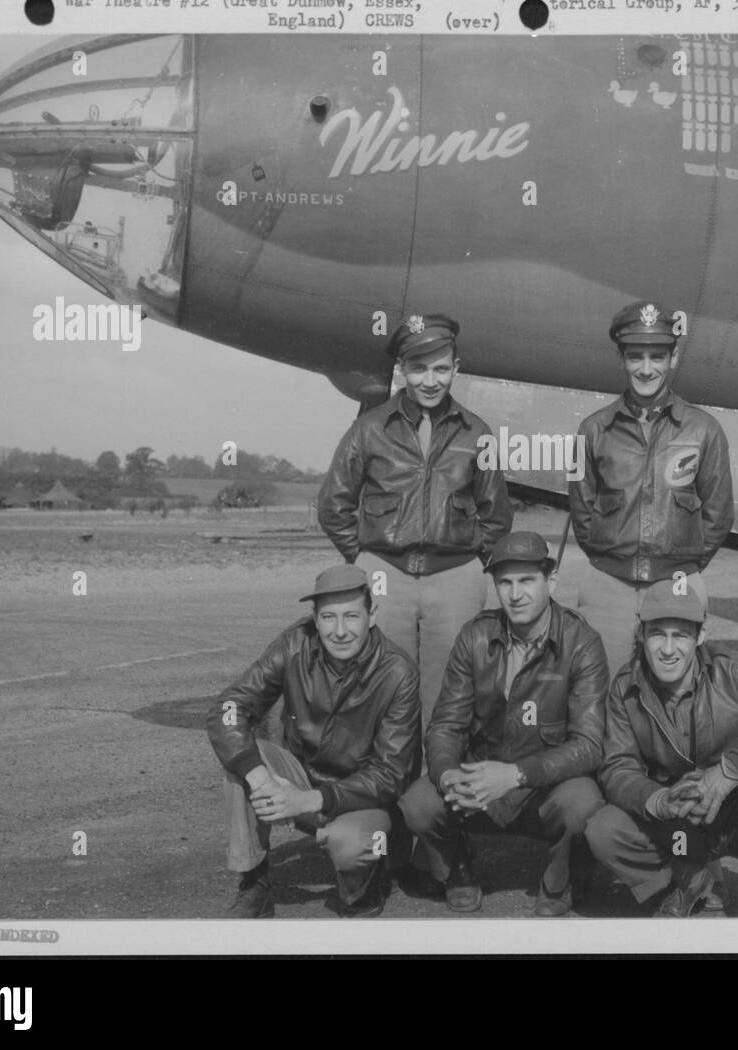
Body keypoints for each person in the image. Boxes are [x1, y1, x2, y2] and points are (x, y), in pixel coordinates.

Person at [318, 314, 513, 728]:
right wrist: (365, 557)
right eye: (419, 368)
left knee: (452, 692)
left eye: (441, 369)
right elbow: (333, 504)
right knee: (383, 686)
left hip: (455, 574)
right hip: (386, 573)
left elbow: (497, 512)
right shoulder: (369, 429)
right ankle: (385, 783)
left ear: (456, 370)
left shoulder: (477, 432)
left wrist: (476, 567)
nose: (430, 380)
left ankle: (439, 781)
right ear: (401, 369)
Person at [399, 531, 609, 916]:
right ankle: (458, 866)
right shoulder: (474, 636)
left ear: (552, 581)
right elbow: (446, 725)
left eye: (527, 580)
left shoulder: (582, 643)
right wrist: (448, 776)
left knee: (583, 801)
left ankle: (559, 878)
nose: (515, 594)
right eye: (505, 582)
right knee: (418, 803)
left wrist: (515, 774)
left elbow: (589, 744)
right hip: (480, 784)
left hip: (543, 789)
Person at [585, 581, 738, 917]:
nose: (667, 648)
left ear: (701, 636)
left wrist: (732, 766)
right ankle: (692, 880)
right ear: (641, 635)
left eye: (680, 635)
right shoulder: (625, 688)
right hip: (675, 821)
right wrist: (657, 799)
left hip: (737, 815)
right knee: (603, 828)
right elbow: (617, 769)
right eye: (656, 634)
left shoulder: (734, 670)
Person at [207, 564, 420, 918]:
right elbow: (230, 709)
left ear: (372, 615)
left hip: (360, 794)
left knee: (352, 847)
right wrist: (259, 776)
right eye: (328, 617)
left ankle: (364, 883)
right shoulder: (294, 643)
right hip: (301, 773)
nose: (339, 631)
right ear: (315, 618)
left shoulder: (398, 672)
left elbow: (390, 775)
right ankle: (255, 881)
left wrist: (307, 800)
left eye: (351, 616)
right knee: (240, 761)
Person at [569, 300, 734, 679]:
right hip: (609, 583)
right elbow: (582, 509)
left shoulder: (704, 430)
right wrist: (612, 560)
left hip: (676, 583)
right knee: (602, 692)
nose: (646, 369)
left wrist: (681, 565)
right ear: (621, 359)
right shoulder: (593, 430)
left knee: (677, 700)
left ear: (673, 359)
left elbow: (719, 512)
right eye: (635, 357)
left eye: (657, 356)